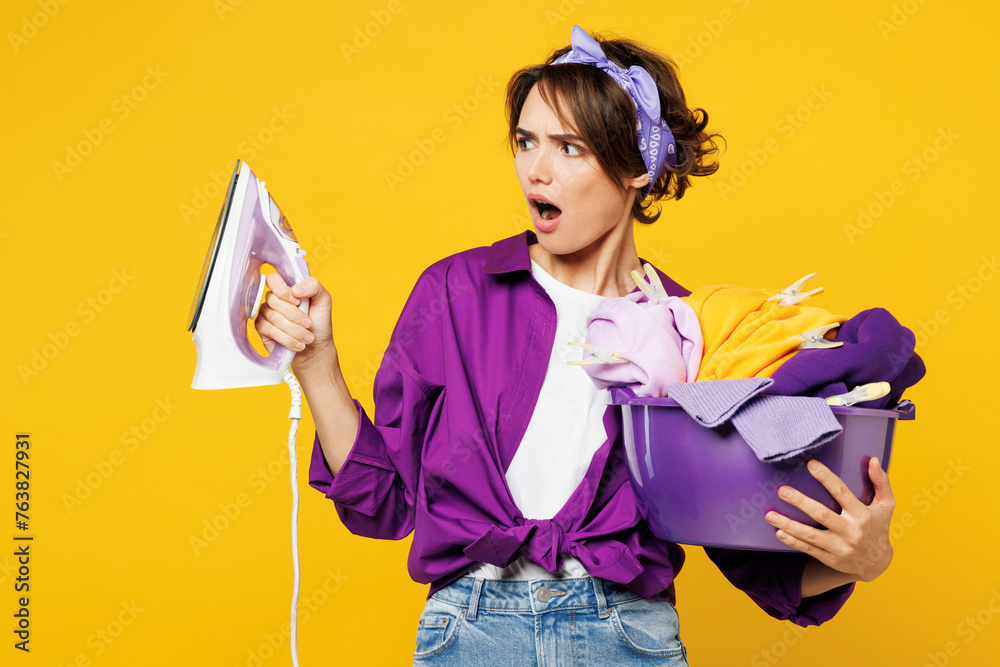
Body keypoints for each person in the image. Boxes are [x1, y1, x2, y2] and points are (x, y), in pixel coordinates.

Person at [253, 25, 895, 666]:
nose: (537, 169)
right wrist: (317, 364)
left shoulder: (693, 329)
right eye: (527, 142)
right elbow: (384, 500)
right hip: (470, 631)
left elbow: (742, 542)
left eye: (570, 148)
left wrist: (863, 559)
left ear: (638, 169)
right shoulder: (455, 293)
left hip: (628, 637)